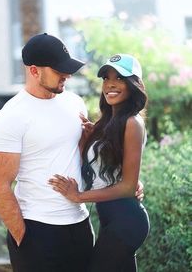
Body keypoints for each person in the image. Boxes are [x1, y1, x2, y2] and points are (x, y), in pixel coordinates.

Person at [0, 33, 144, 272]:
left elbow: (87, 155)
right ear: (34, 71)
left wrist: (126, 181)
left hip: (80, 226)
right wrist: (23, 237)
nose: (67, 75)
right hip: (38, 230)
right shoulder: (9, 118)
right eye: (59, 70)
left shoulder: (73, 102)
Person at [49, 54, 150, 272]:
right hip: (111, 220)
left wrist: (78, 197)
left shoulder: (133, 122)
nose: (110, 84)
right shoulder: (107, 123)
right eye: (106, 77)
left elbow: (128, 187)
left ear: (135, 84)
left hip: (127, 221)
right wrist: (88, 140)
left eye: (120, 78)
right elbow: (103, 172)